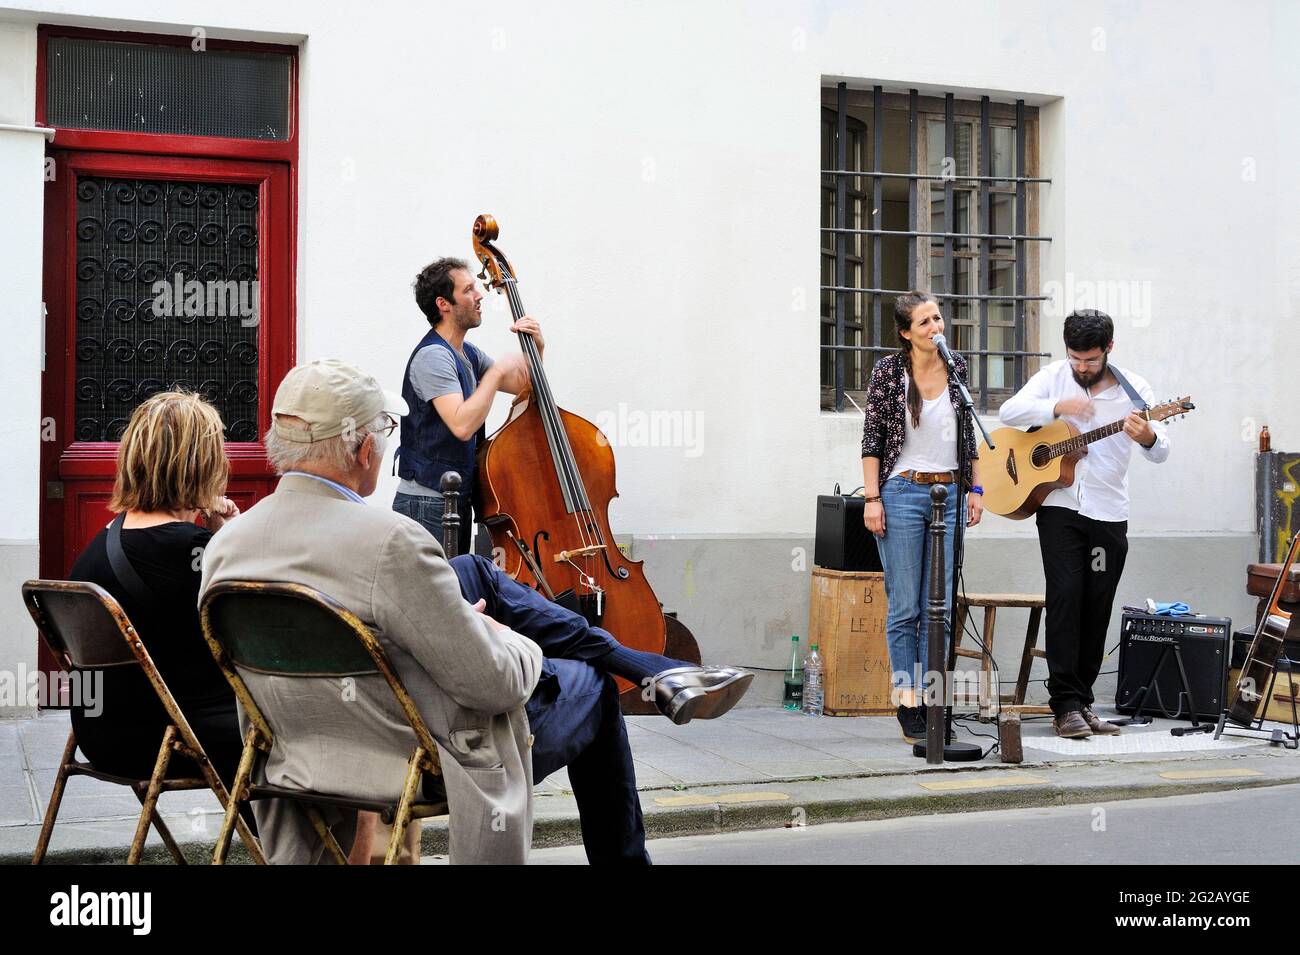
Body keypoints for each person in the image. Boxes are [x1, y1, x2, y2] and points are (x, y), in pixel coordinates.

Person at [200, 359, 752, 864]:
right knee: (594, 685)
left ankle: (646, 666)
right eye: (383, 434)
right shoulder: (390, 542)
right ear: (361, 449)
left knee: (475, 571)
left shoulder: (229, 547)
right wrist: (501, 635)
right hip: (412, 753)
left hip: (299, 751)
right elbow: (491, 685)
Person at [67, 391, 248, 816]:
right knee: (308, 736)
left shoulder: (104, 539)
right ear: (201, 466)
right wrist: (230, 542)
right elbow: (251, 641)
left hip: (99, 734)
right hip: (166, 738)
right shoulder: (190, 549)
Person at [999, 308, 1170, 739]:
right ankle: (1064, 705)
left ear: (1108, 350)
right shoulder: (1054, 377)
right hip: (1059, 507)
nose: (1081, 368)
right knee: (1065, 596)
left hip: (1108, 513)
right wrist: (1057, 405)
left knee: (1097, 605)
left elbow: (1161, 451)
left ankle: (1084, 700)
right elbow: (1009, 413)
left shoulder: (1135, 390)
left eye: (1090, 360)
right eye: (1075, 358)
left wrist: (1146, 436)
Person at [860, 292, 983, 744]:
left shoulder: (958, 370)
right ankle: (907, 699)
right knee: (908, 606)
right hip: (903, 491)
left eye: (938, 317)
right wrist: (873, 499)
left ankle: (936, 699)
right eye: (925, 321)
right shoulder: (889, 372)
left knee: (943, 610)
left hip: (949, 492)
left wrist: (976, 488)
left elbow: (969, 436)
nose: (936, 326)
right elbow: (872, 440)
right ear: (906, 332)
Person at [392, 257, 537, 552]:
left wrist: (537, 348)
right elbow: (462, 425)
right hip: (427, 502)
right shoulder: (434, 357)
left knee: (454, 593)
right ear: (444, 304)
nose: (480, 295)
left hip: (452, 500)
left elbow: (526, 387)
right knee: (434, 597)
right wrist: (496, 374)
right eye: (469, 289)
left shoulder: (467, 352)